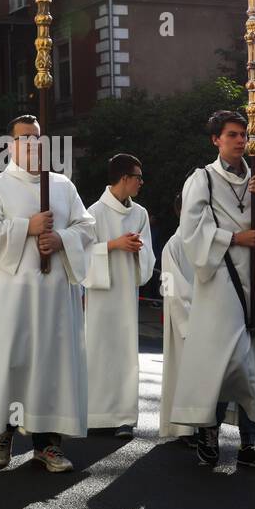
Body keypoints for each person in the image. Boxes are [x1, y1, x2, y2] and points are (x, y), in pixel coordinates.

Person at [0, 114, 96, 473]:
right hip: (13, 296)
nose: (32, 143)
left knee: (52, 367)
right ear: (10, 145)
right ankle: (4, 430)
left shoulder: (62, 186)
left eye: (36, 137)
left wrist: (61, 238)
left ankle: (48, 445)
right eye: (24, 138)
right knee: (13, 363)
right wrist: (25, 228)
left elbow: (87, 227)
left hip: (55, 295)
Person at [171, 110, 255, 470]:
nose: (240, 140)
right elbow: (191, 232)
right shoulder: (202, 180)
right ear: (216, 140)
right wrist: (234, 237)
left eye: (243, 134)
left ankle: (250, 445)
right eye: (232, 134)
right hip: (223, 280)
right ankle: (208, 436)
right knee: (227, 361)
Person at [84, 153, 155, 439]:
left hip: (126, 293)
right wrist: (113, 244)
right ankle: (95, 415)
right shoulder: (93, 213)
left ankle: (123, 417)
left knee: (125, 355)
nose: (141, 182)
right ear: (124, 178)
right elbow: (82, 256)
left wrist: (139, 249)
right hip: (101, 298)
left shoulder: (140, 214)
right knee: (100, 353)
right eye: (138, 177)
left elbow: (149, 252)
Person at [158, 193, 196, 446]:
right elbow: (173, 288)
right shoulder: (174, 244)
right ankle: (185, 429)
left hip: (209, 318)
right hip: (189, 319)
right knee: (185, 372)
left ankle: (203, 429)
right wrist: (191, 322)